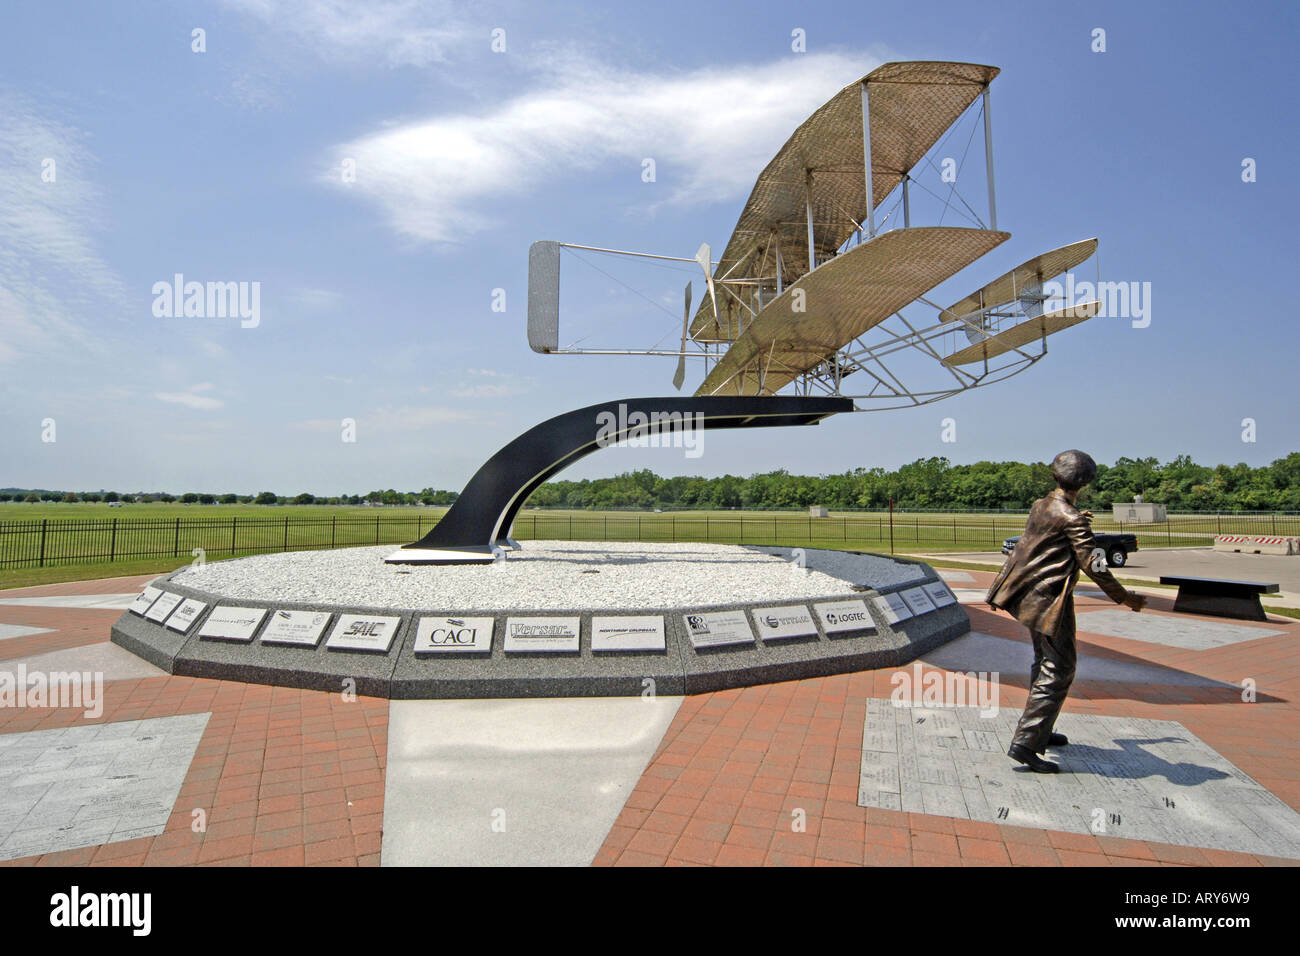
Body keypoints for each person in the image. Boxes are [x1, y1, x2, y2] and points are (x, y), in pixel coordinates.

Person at [986, 450, 1147, 773]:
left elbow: (1053, 527)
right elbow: (1094, 565)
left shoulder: (1042, 505)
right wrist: (1125, 597)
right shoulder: (1070, 518)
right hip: (1050, 600)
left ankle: (1040, 728)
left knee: (1043, 661)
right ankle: (1027, 743)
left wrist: (1076, 517)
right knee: (1060, 668)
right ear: (1085, 482)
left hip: (1029, 595)